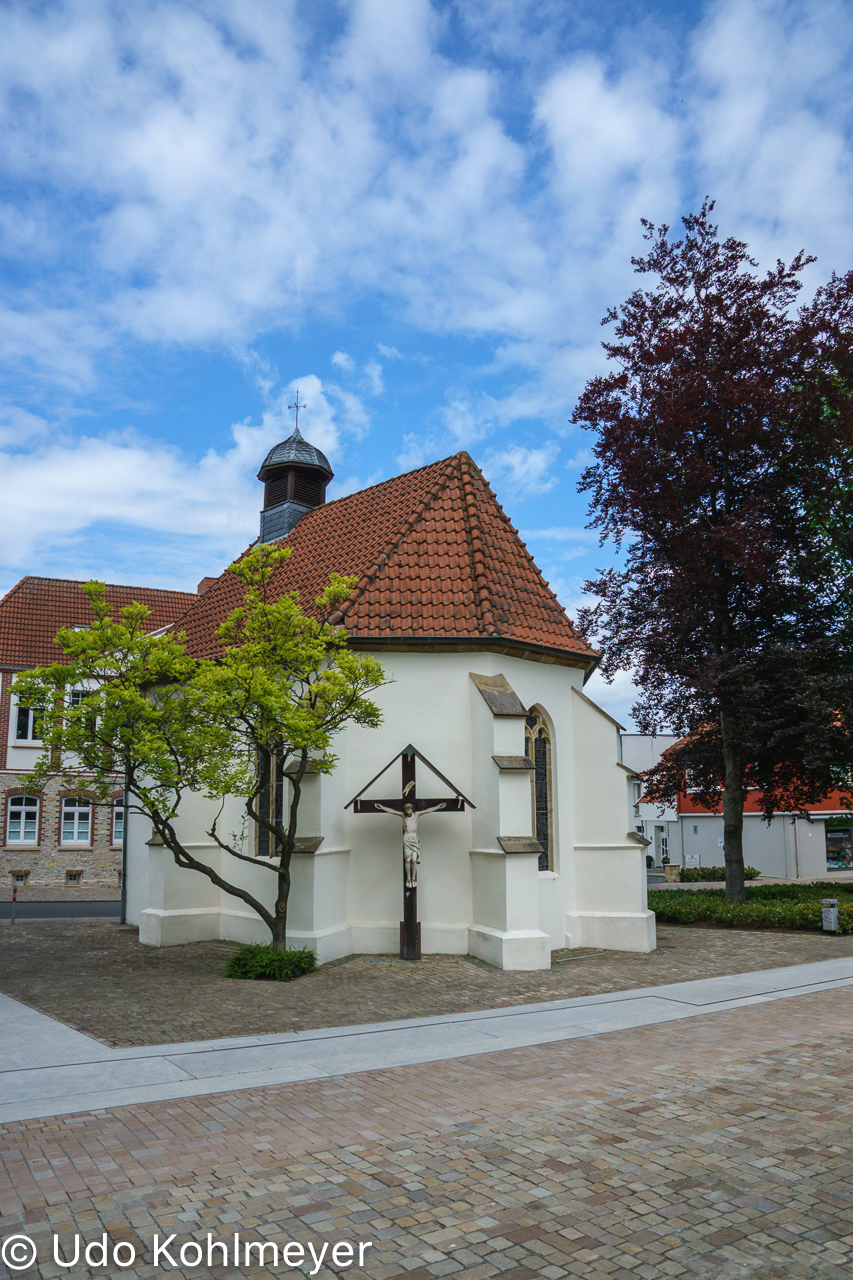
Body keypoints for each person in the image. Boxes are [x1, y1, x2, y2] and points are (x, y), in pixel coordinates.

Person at [375, 799, 446, 888]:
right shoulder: (403, 816)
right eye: (406, 810)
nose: (408, 812)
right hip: (407, 840)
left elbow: (427, 810)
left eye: (409, 810)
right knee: (408, 860)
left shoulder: (416, 815)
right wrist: (382, 808)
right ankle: (408, 879)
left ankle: (413, 878)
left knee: (414, 860)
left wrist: (438, 807)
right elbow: (393, 811)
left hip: (414, 840)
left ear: (412, 809)